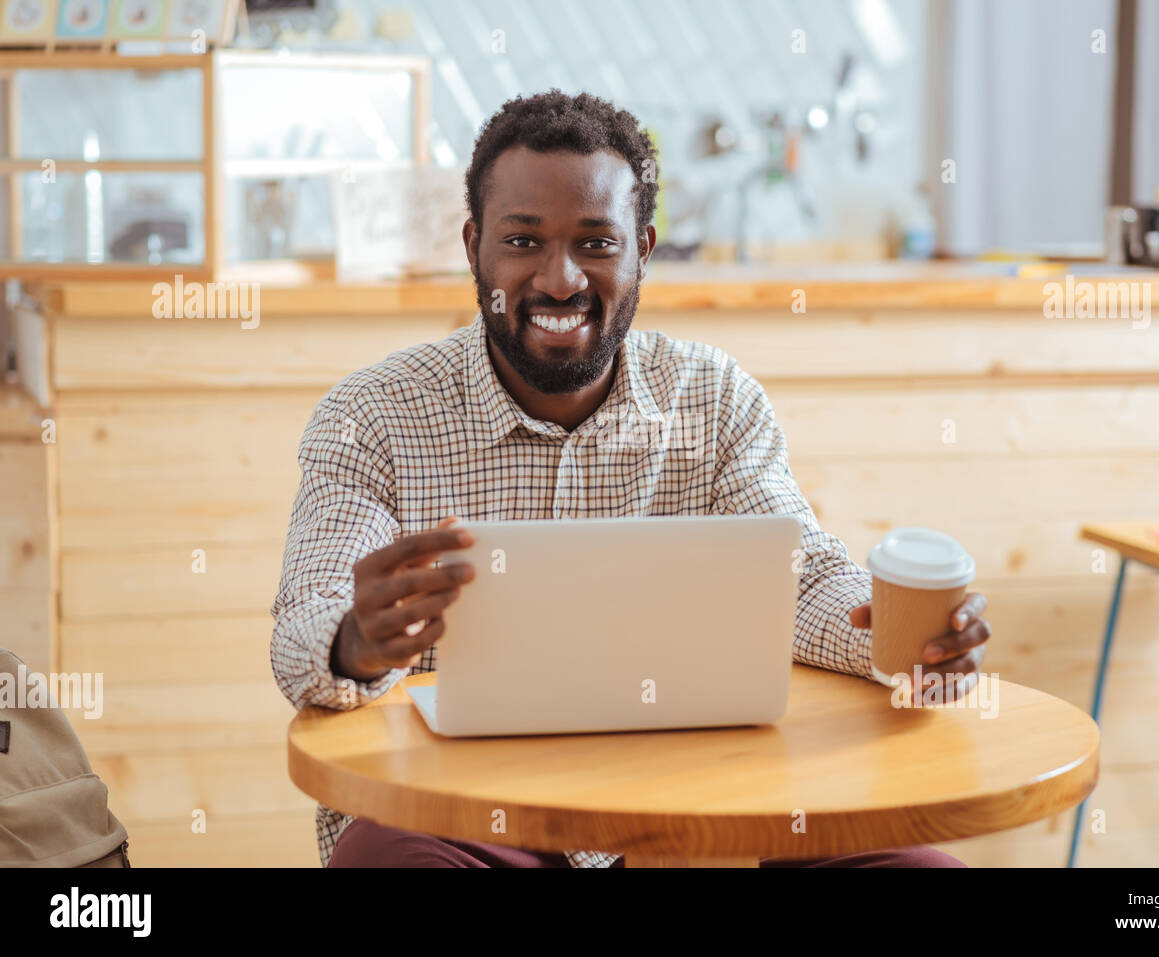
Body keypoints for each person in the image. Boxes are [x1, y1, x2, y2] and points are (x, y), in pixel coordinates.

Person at [271, 90, 991, 868]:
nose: (558, 279)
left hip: (697, 805)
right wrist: (357, 643)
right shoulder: (372, 415)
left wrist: (902, 639)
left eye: (595, 242)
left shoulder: (714, 399)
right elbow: (306, 624)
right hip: (467, 815)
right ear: (475, 245)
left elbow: (801, 579)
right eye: (522, 241)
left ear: (643, 248)